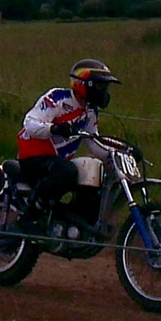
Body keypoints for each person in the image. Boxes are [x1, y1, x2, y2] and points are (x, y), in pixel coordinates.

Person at [15, 59, 121, 224]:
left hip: (57, 160)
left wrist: (115, 154)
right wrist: (54, 129)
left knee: (93, 179)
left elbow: (93, 141)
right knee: (67, 171)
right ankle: (31, 213)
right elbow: (30, 123)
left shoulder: (90, 110)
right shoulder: (57, 98)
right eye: (100, 86)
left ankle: (71, 222)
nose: (104, 92)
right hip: (33, 155)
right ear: (83, 84)